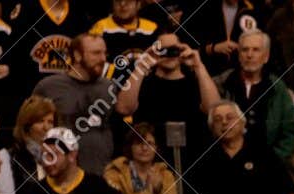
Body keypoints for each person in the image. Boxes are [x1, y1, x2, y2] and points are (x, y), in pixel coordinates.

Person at [114, 29, 223, 161]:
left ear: (183, 49)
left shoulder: (196, 82)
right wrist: (142, 66)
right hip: (151, 160)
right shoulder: (141, 82)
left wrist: (198, 66)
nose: (169, 54)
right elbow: (124, 109)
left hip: (192, 157)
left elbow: (215, 110)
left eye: (174, 49)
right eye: (162, 50)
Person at [31, 33, 117, 175]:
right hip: (59, 174)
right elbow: (29, 127)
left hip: (100, 173)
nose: (103, 59)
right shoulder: (48, 86)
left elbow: (124, 114)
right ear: (77, 55)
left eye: (104, 53)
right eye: (96, 53)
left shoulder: (109, 87)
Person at [214, 28, 294, 162]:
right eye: (245, 49)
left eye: (255, 50)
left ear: (266, 56)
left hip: (266, 167)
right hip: (226, 163)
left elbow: (289, 131)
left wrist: (273, 161)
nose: (249, 55)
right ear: (239, 55)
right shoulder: (222, 83)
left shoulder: (277, 88)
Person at [88, 0, 158, 85]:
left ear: (138, 5)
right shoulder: (101, 27)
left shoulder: (152, 28)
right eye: (118, 1)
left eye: (128, 1)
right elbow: (91, 60)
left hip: (146, 83)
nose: (122, 5)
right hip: (111, 85)